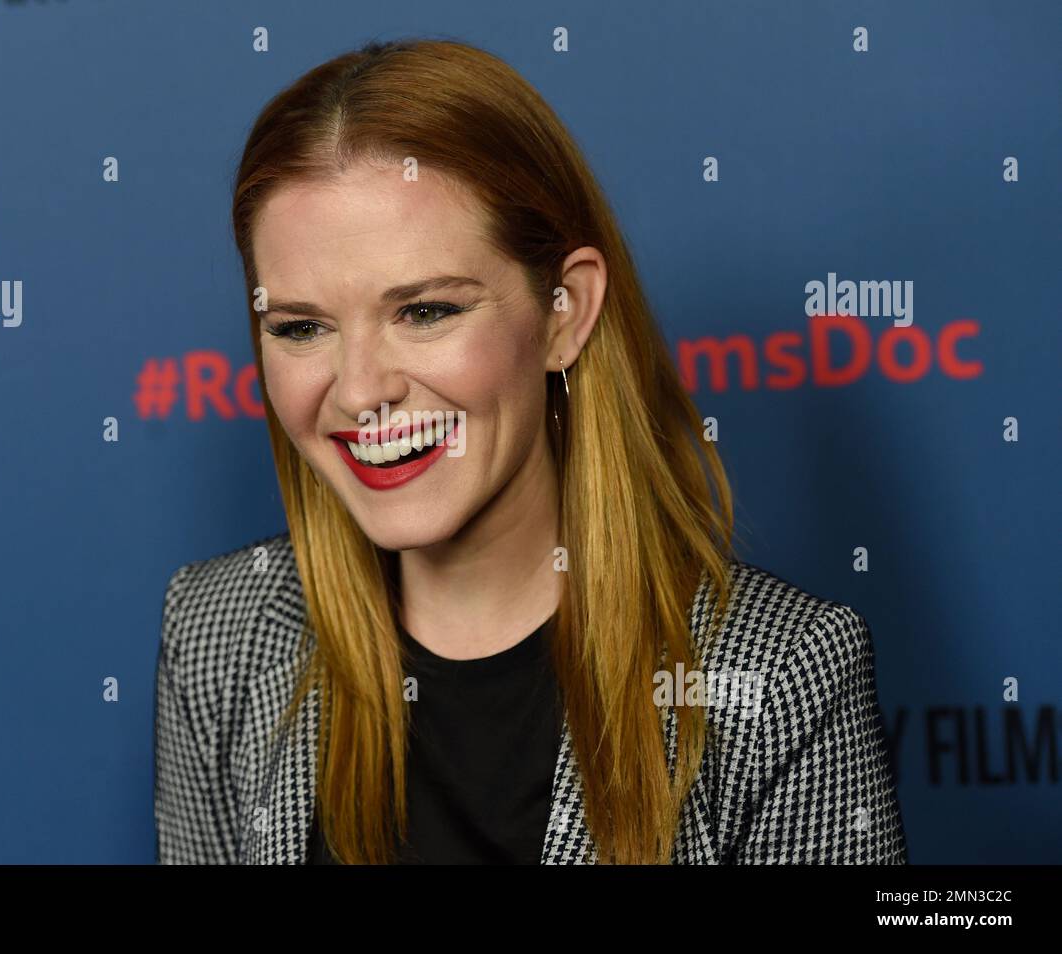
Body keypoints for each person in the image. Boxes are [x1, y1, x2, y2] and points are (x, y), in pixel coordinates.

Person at [153, 37, 907, 864]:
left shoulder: (782, 673)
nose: (361, 389)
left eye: (426, 311)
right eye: (301, 327)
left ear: (565, 311)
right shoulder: (217, 633)